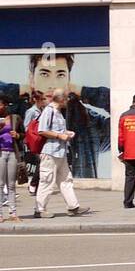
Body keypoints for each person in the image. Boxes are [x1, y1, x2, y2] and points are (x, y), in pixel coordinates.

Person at [34, 89, 88, 218]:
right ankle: (39, 209)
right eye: (66, 98)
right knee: (47, 180)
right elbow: (42, 130)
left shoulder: (58, 112)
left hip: (61, 151)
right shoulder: (49, 111)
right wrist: (60, 136)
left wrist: (67, 133)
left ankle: (73, 206)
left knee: (66, 179)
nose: (68, 101)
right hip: (50, 152)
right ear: (61, 99)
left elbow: (58, 130)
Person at [0, 98, 19, 222]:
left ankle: (13, 213)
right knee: (0, 184)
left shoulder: (15, 118)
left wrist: (17, 135)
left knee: (11, 184)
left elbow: (23, 134)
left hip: (12, 152)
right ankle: (0, 214)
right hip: (1, 153)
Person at [23, 91, 44, 196]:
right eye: (41, 99)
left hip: (40, 140)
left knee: (41, 162)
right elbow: (26, 127)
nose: (43, 101)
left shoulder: (42, 110)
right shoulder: (31, 111)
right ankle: (33, 183)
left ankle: (35, 184)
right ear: (36, 99)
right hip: (34, 140)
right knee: (40, 162)